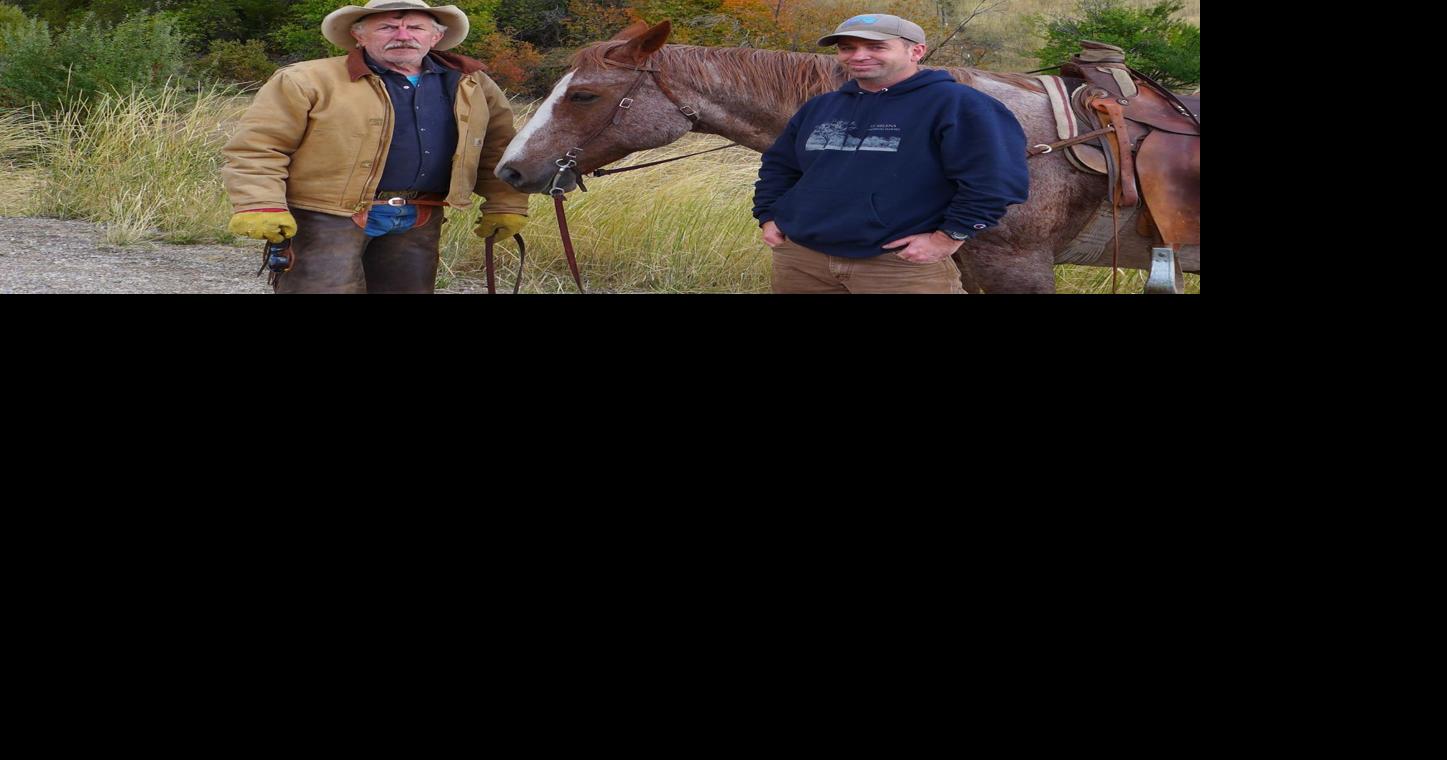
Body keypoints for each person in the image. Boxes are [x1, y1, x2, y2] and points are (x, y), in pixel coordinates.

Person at [222, 0, 529, 293]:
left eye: (415, 28)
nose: (403, 36)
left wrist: (505, 203)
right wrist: (260, 203)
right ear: (359, 36)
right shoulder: (305, 80)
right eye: (387, 27)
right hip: (326, 216)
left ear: (436, 36)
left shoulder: (473, 84)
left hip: (420, 216)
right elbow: (259, 147)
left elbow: (498, 147)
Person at [752, 14, 1030, 293]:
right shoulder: (821, 106)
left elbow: (995, 181)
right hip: (803, 261)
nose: (859, 56)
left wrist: (949, 237)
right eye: (847, 48)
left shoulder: (961, 105)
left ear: (916, 51)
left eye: (877, 47)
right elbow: (780, 166)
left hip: (897, 266)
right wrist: (767, 215)